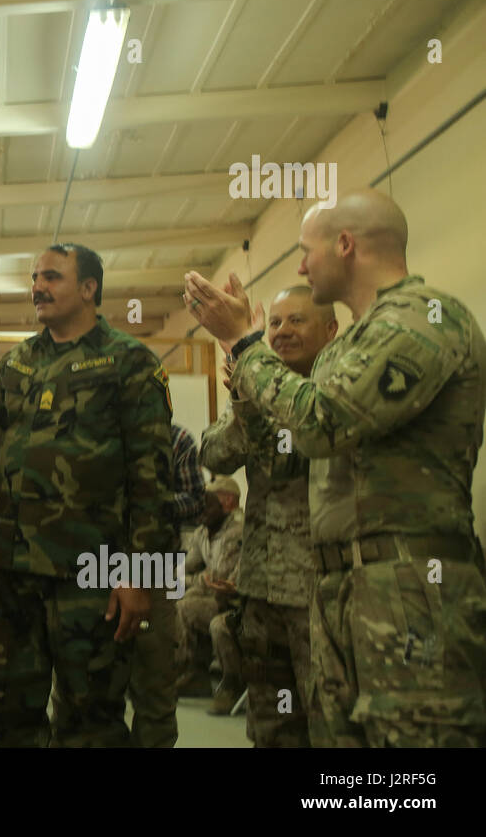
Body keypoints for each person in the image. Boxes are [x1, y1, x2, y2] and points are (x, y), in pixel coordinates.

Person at [185, 187, 486, 747]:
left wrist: (244, 345)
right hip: (341, 585)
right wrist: (250, 377)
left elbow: (324, 422)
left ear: (345, 245)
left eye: (306, 250)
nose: (300, 264)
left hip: (409, 586)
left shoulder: (421, 320)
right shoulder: (351, 348)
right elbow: (287, 446)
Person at [0, 244, 173, 747]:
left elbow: (152, 476)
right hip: (14, 572)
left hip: (93, 576)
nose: (38, 286)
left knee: (91, 722)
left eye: (52, 277)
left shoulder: (130, 362)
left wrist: (142, 574)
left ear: (89, 289)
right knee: (10, 719)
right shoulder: (13, 366)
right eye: (35, 277)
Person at [200, 285, 337, 745]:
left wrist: (252, 384)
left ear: (331, 330)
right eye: (274, 323)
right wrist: (245, 396)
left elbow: (286, 458)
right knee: (271, 726)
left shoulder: (331, 395)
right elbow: (214, 454)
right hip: (260, 589)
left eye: (296, 321)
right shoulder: (254, 390)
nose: (281, 332)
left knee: (326, 722)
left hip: (315, 593)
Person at [126, 422, 205, 747]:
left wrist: (150, 504)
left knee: (156, 687)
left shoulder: (177, 440)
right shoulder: (95, 428)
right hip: (98, 564)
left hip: (154, 567)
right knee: (89, 692)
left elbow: (196, 501)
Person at [176, 478, 244, 710]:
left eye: (208, 502)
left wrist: (189, 581)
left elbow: (218, 578)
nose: (201, 509)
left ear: (227, 502)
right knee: (184, 597)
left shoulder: (236, 532)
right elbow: (185, 567)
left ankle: (231, 684)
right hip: (217, 599)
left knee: (188, 605)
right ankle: (193, 676)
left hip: (236, 603)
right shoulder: (204, 531)